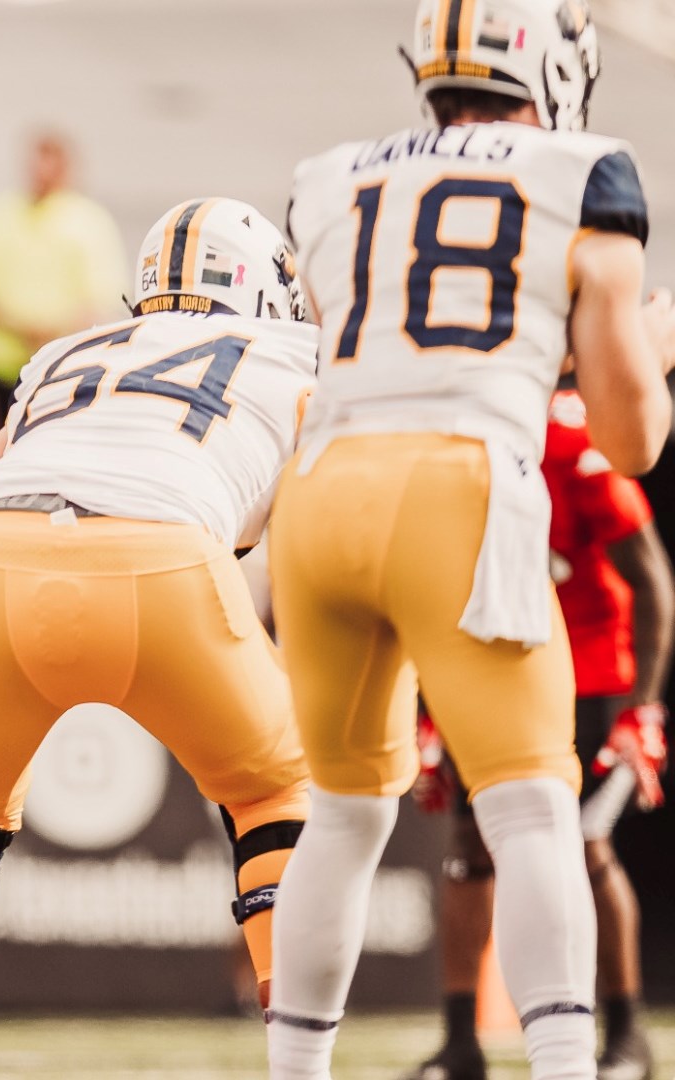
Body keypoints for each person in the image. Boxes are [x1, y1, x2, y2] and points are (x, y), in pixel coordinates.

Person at [269, 4, 675, 1078]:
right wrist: (649, 343)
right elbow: (631, 443)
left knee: (344, 817)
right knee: (537, 813)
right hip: (457, 488)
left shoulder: (326, 176)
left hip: (321, 494)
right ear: (550, 61)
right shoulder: (584, 171)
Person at [0, 199, 315, 1080]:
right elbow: (325, 531)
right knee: (279, 802)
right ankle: (298, 1065)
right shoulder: (294, 355)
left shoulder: (69, 351)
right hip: (160, 556)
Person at [403, 390, 672, 1080]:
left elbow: (651, 579)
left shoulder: (565, 440)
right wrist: (430, 703)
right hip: (493, 658)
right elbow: (427, 583)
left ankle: (625, 1033)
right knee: (468, 843)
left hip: (589, 668)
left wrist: (643, 706)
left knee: (582, 842)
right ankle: (461, 1041)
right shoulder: (441, 444)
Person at [0, 130, 126, 421]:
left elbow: (99, 299)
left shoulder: (91, 222)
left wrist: (50, 337)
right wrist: (25, 331)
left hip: (64, 366)